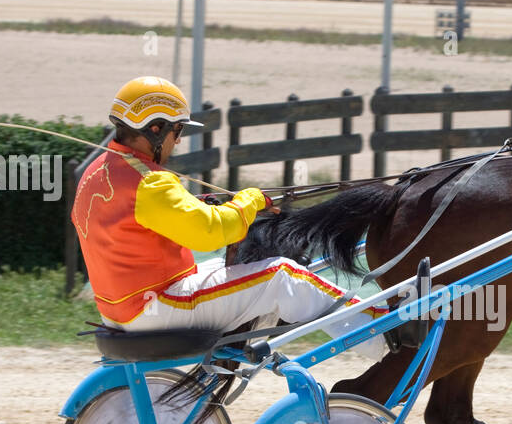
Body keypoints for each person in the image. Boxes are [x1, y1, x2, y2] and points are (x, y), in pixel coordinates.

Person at [71, 76, 389, 359]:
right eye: (176, 131)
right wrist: (249, 200)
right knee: (282, 274)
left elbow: (149, 221)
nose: (177, 141)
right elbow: (211, 231)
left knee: (245, 268)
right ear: (155, 129)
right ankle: (378, 333)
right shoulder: (149, 182)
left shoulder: (97, 172)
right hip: (160, 306)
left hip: (122, 309)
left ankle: (235, 356)